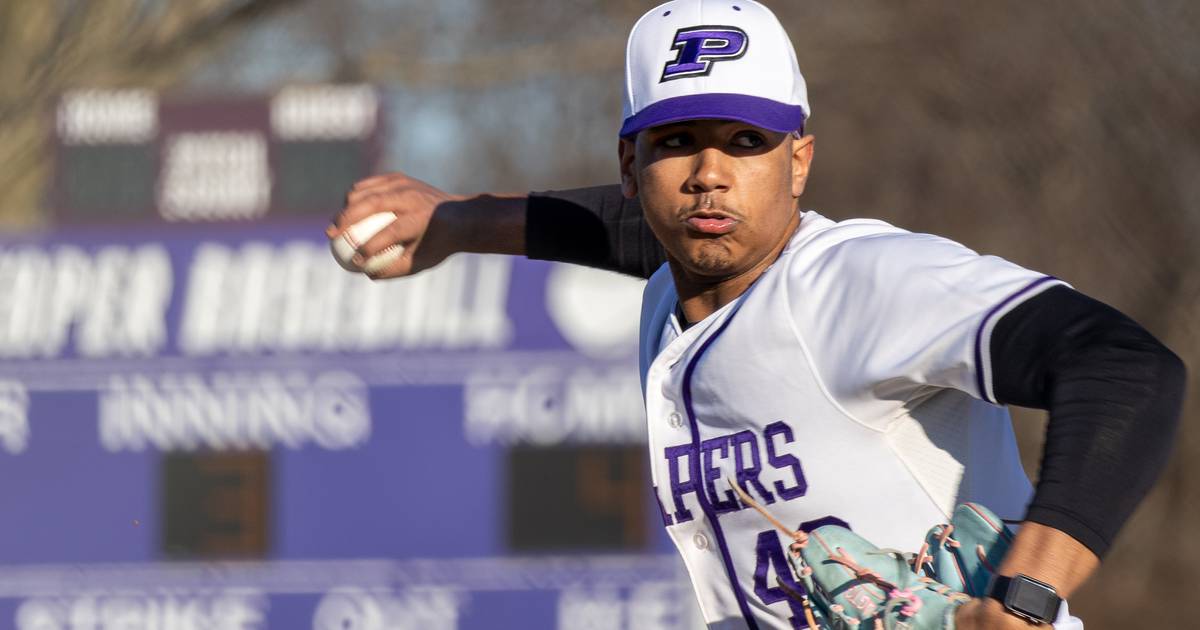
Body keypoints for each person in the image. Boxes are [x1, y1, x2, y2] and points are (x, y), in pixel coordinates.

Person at [329, 1, 1186, 628]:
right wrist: (459, 220)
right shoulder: (678, 286)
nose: (711, 173)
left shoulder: (863, 283)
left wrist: (1026, 600)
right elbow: (639, 235)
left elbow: (1126, 371)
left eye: (747, 142)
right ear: (631, 166)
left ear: (799, 160)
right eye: (677, 142)